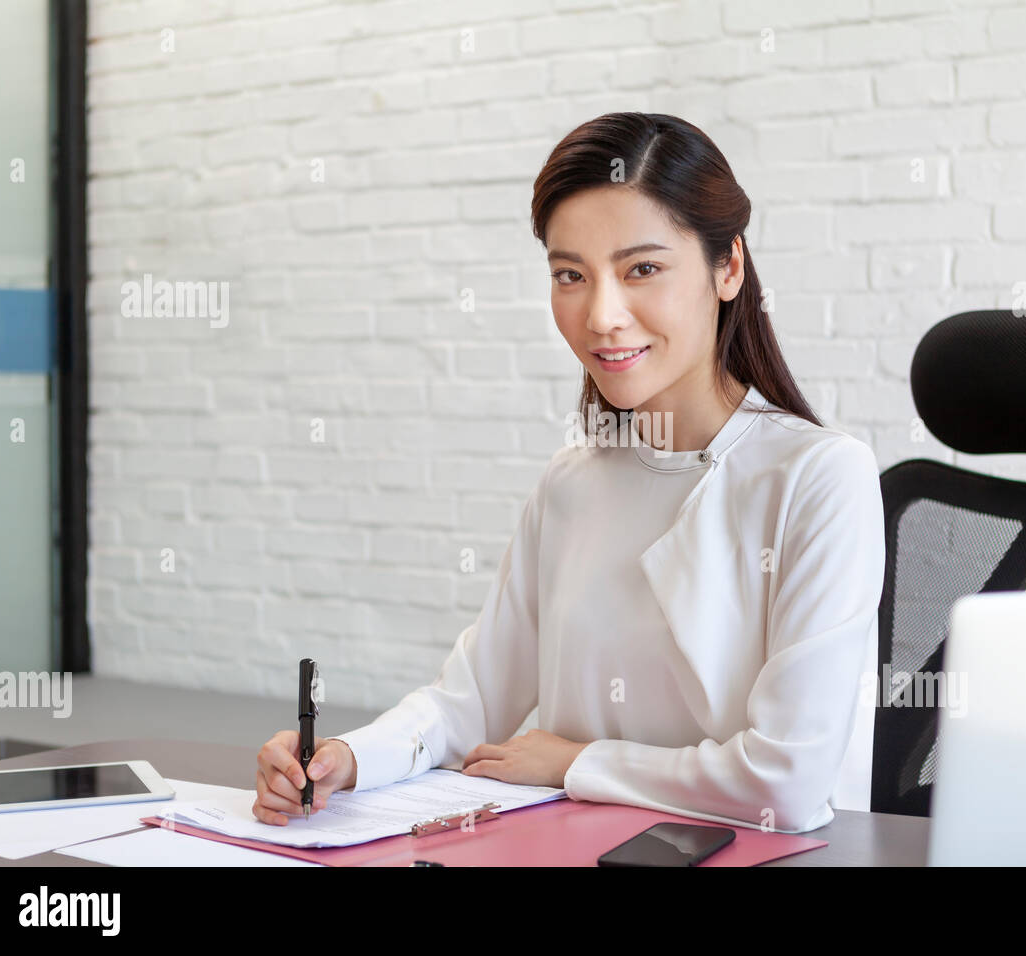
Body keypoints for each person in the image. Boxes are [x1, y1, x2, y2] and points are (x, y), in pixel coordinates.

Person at [255, 112, 886, 834]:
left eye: (641, 268)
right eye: (570, 276)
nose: (602, 315)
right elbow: (471, 699)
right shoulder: (572, 483)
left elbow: (790, 782)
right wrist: (347, 757)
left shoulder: (818, 477)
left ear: (728, 267)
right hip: (574, 847)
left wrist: (574, 761)